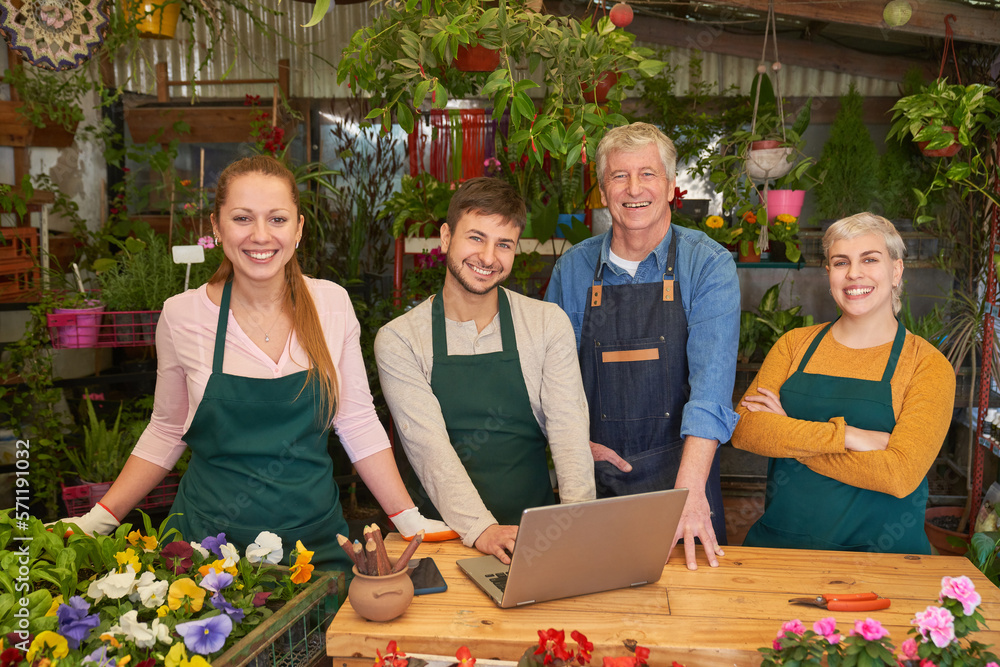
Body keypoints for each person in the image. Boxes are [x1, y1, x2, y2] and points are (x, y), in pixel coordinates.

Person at [63, 155, 454, 572]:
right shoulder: (182, 315)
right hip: (206, 551)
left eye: (278, 219)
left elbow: (356, 421)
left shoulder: (331, 305)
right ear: (216, 227)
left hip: (316, 544)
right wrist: (100, 518)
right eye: (243, 218)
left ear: (299, 228)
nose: (261, 236)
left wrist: (407, 518)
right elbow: (167, 428)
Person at [545, 122, 740, 570]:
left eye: (648, 174)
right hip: (592, 481)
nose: (634, 189)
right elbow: (548, 382)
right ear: (602, 189)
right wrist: (577, 447)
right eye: (619, 176)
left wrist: (688, 499)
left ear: (672, 186)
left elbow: (711, 393)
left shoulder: (707, 264)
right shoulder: (573, 270)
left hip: (684, 481)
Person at [375, 177, 596, 564]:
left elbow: (569, 432)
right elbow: (429, 451)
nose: (489, 257)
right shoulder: (401, 339)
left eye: (504, 244)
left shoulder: (546, 324)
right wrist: (481, 529)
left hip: (535, 536)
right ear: (446, 238)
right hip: (440, 538)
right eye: (476, 238)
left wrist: (576, 524)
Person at [732, 213, 955, 554]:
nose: (854, 273)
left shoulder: (926, 365)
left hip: (885, 562)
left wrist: (789, 436)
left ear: (896, 271)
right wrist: (849, 436)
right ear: (829, 274)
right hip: (781, 550)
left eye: (870, 259)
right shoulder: (794, 345)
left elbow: (898, 475)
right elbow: (746, 430)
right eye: (841, 262)